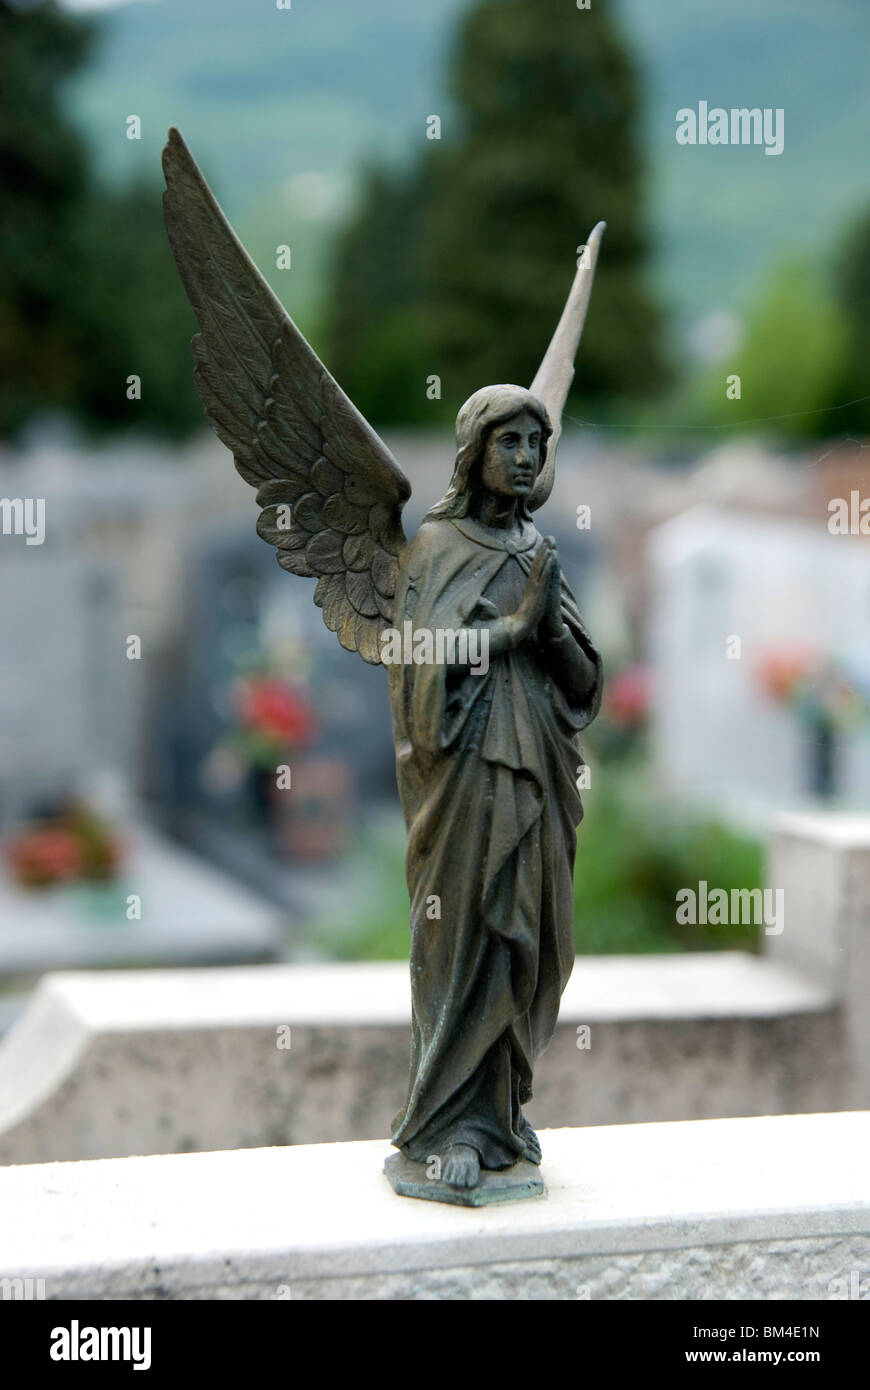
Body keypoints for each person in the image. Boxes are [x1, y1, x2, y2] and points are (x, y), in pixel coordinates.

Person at [388, 384, 602, 1188]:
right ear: (473, 452)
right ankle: (447, 1127)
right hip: (466, 786)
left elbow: (583, 678)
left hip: (539, 777)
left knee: (534, 942)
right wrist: (510, 632)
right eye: (507, 442)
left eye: (534, 445)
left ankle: (502, 1113)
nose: (524, 458)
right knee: (469, 940)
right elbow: (414, 664)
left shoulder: (538, 550)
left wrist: (547, 631)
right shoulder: (438, 547)